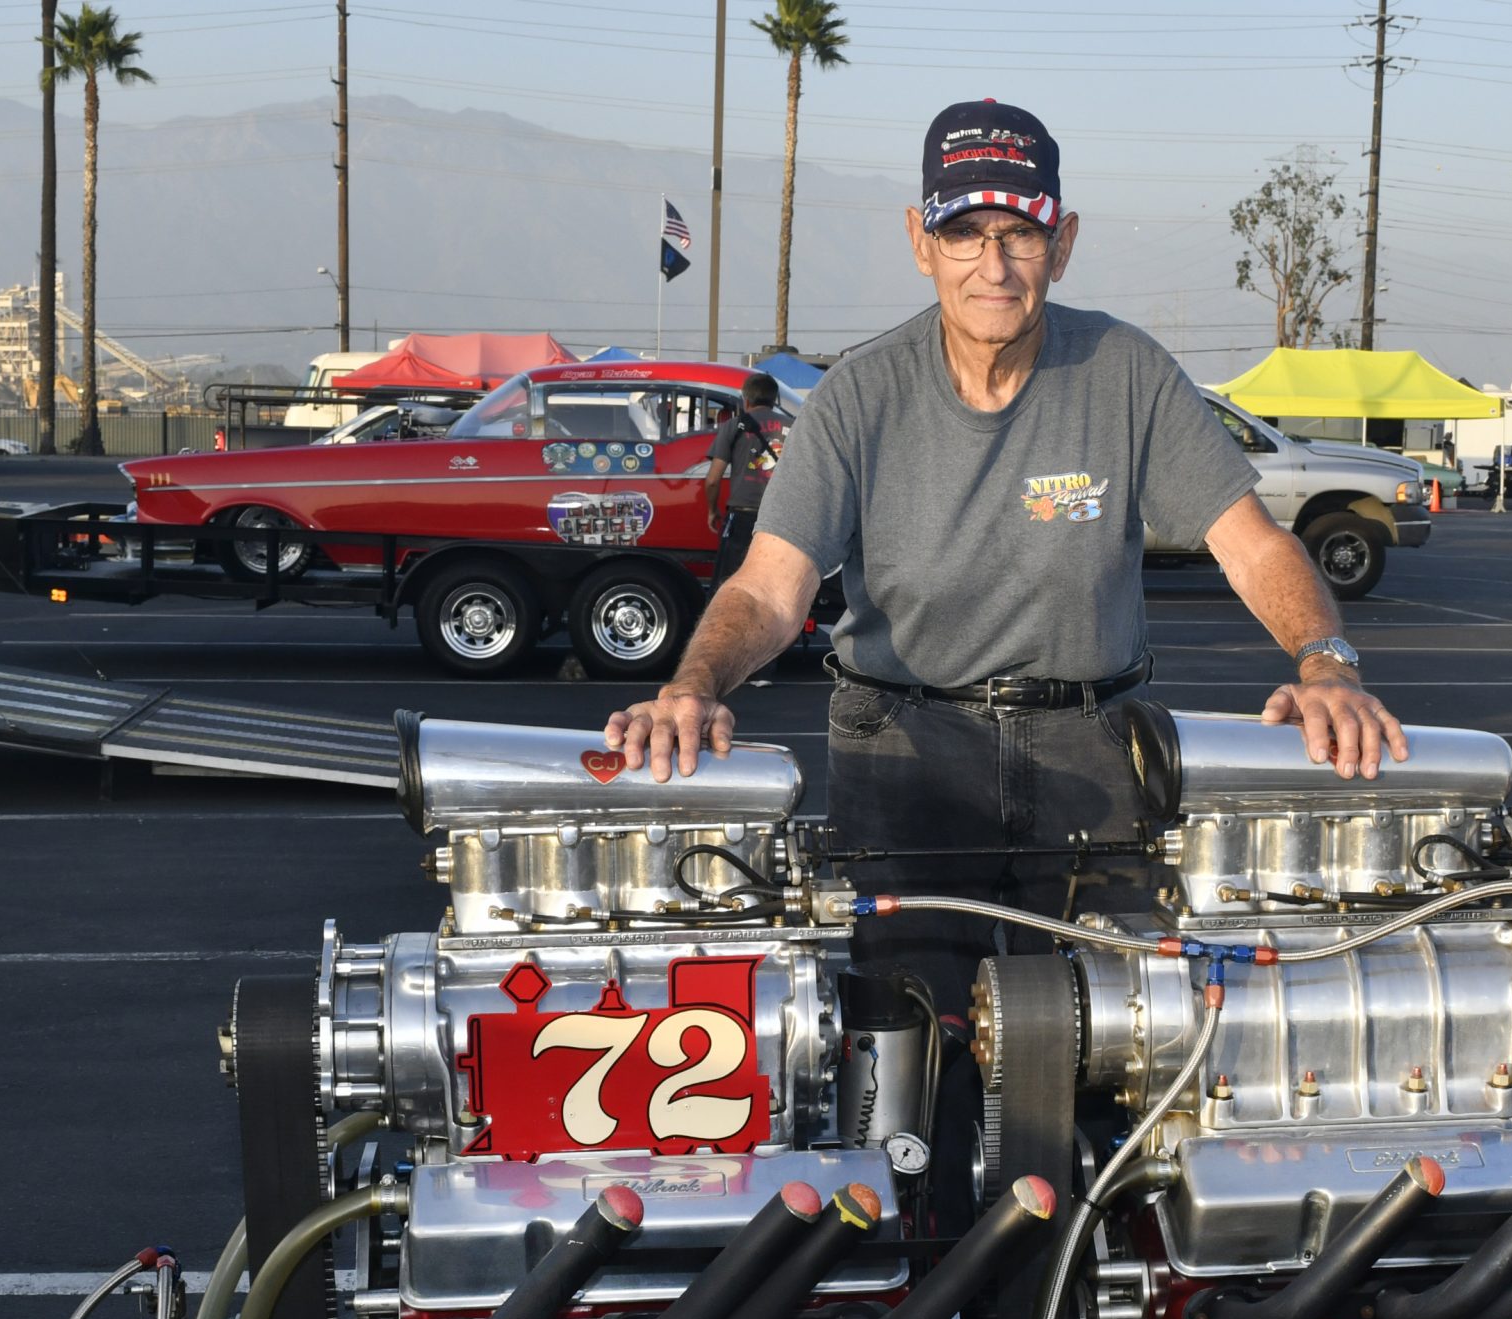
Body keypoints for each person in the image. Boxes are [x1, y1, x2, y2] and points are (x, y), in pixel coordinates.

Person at [601, 99, 1406, 1013]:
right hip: (906, 757)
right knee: (909, 1043)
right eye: (965, 231)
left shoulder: (1127, 372)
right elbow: (773, 587)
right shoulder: (859, 397)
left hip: (1097, 757)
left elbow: (1256, 547)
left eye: (1019, 234)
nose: (994, 265)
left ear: (1060, 245)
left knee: (1115, 1034)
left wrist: (1325, 662)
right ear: (920, 239)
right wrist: (692, 688)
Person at [704, 371, 781, 588]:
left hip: (742, 516)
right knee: (772, 585)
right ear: (774, 400)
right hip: (779, 520)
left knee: (730, 584)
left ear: (746, 400)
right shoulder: (794, 427)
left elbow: (712, 480)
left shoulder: (734, 426)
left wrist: (712, 510)